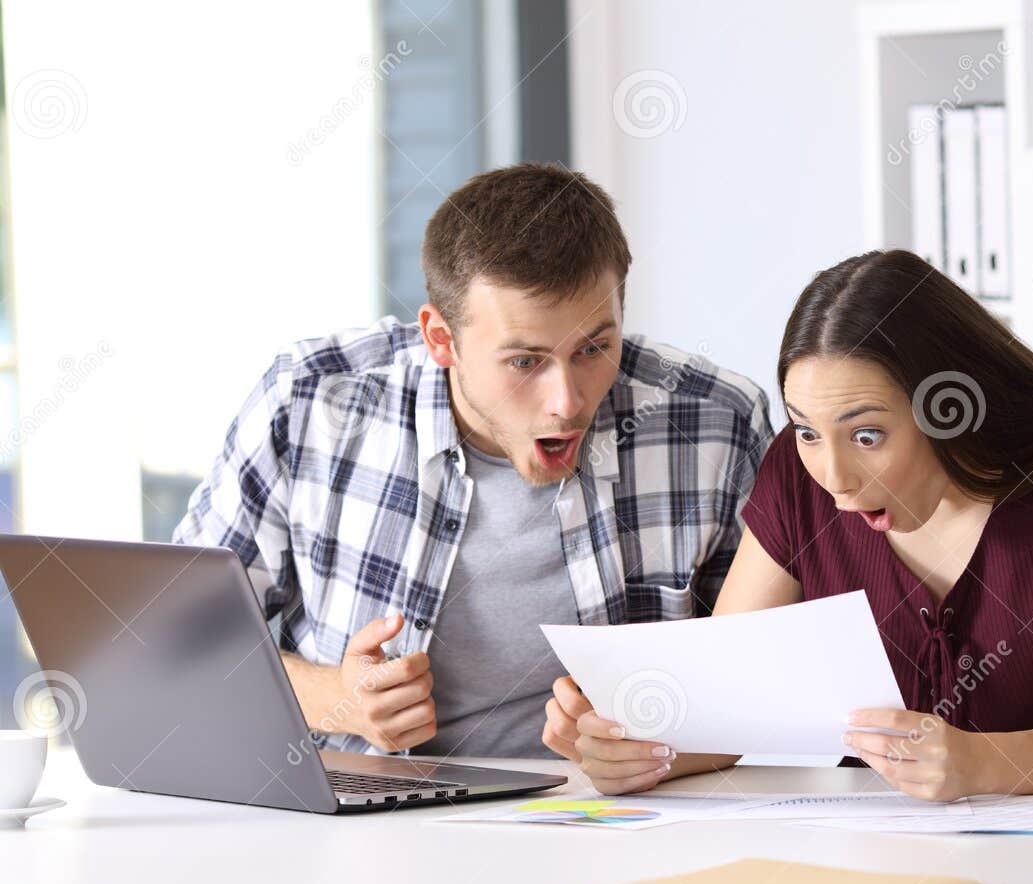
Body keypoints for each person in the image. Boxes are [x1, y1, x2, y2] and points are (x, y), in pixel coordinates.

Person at [176, 163, 772, 758]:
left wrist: (657, 745)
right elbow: (177, 639)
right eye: (524, 362)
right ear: (441, 339)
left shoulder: (716, 423)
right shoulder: (309, 402)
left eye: (595, 348)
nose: (567, 401)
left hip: (625, 821)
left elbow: (765, 677)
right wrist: (333, 695)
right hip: (369, 820)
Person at [544, 250, 1033, 800]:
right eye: (809, 431)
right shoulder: (795, 474)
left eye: (867, 434)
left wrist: (984, 763)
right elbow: (725, 706)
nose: (834, 474)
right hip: (861, 863)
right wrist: (640, 752)